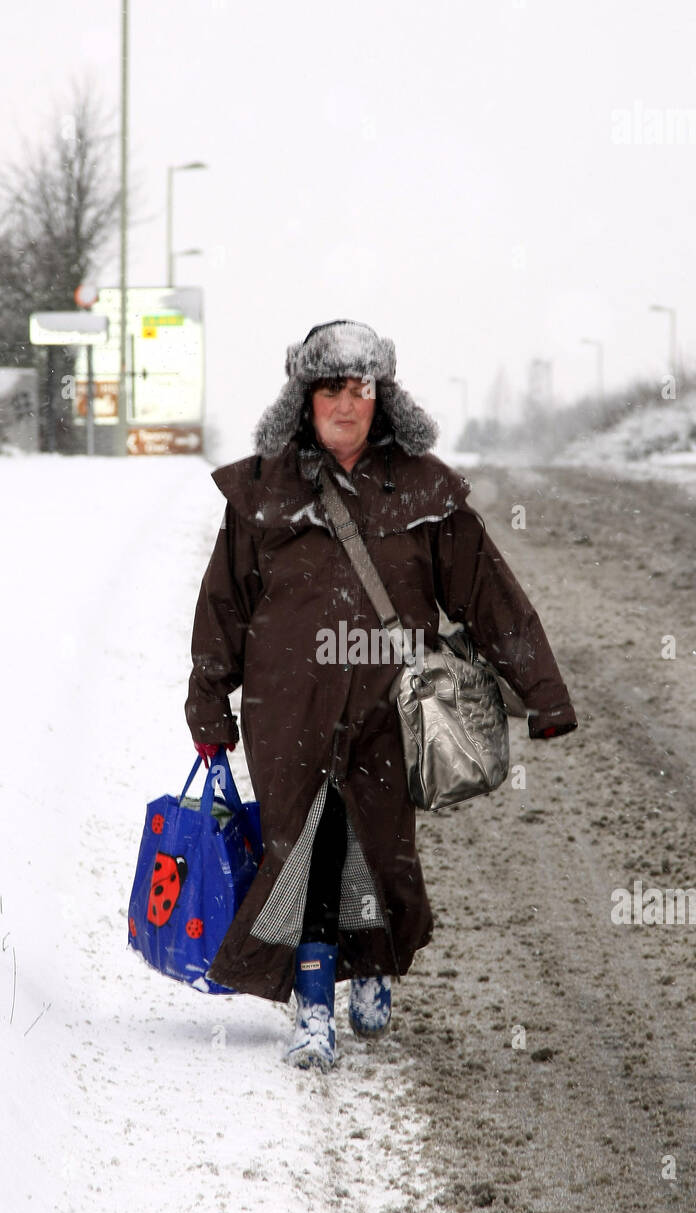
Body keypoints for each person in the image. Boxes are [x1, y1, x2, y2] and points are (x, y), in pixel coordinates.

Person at [185, 319, 577, 1072]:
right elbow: (224, 606)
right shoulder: (264, 491)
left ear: (380, 396)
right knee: (304, 848)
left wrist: (543, 692)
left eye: (358, 387)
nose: (344, 402)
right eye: (329, 387)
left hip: (389, 706)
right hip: (287, 704)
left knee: (380, 851)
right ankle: (313, 1002)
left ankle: (370, 964)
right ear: (304, 398)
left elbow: (490, 595)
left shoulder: (426, 489)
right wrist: (209, 702)